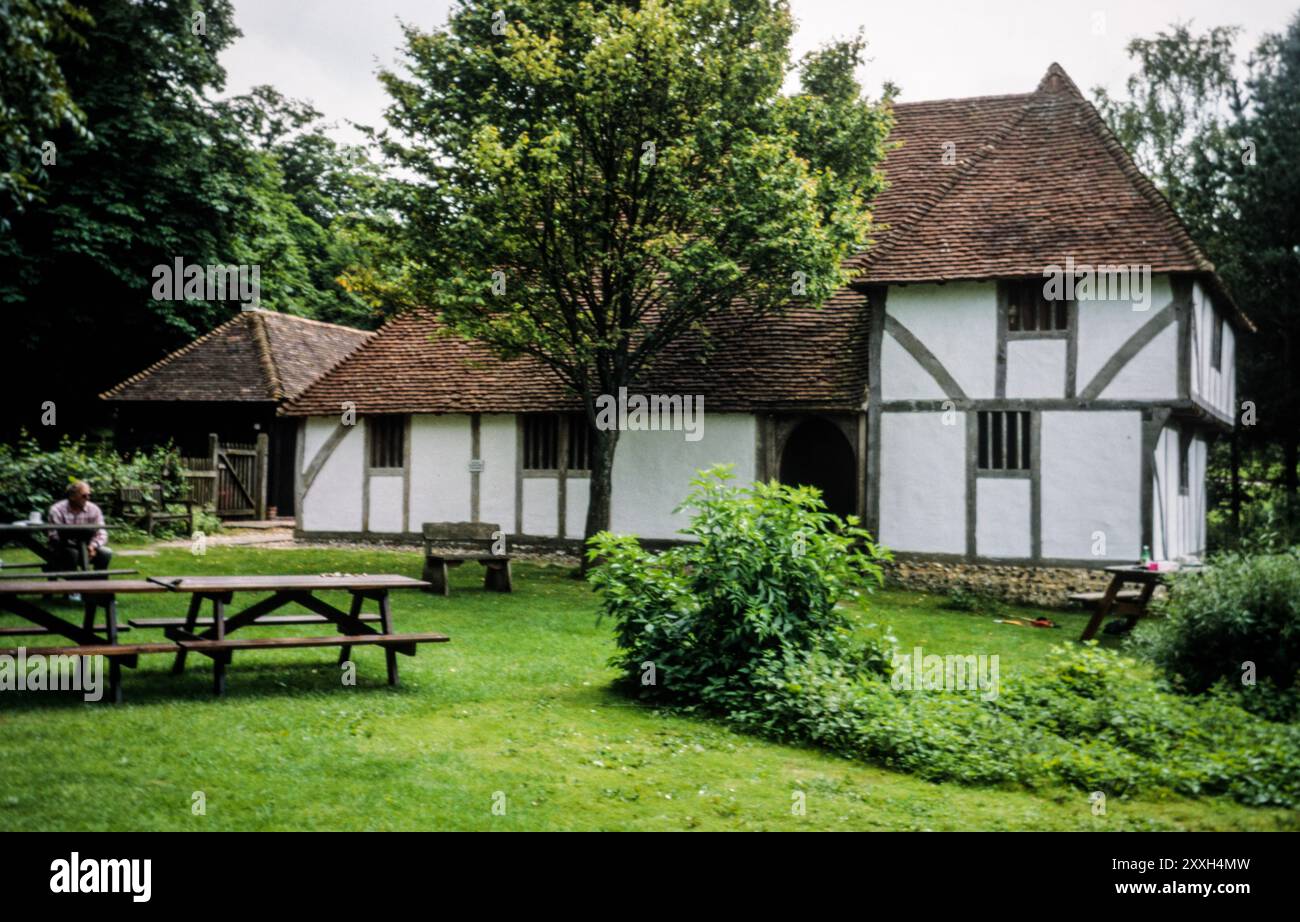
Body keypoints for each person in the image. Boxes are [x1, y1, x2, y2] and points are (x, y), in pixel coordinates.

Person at [47, 482, 112, 598]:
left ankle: (101, 590)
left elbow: (102, 532)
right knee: (73, 554)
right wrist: (76, 545)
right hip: (63, 546)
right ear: (72, 496)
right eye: (84, 495)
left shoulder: (94, 509)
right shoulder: (57, 510)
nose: (87, 498)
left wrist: (93, 546)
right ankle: (74, 590)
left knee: (106, 553)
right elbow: (54, 535)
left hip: (88, 545)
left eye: (89, 495)